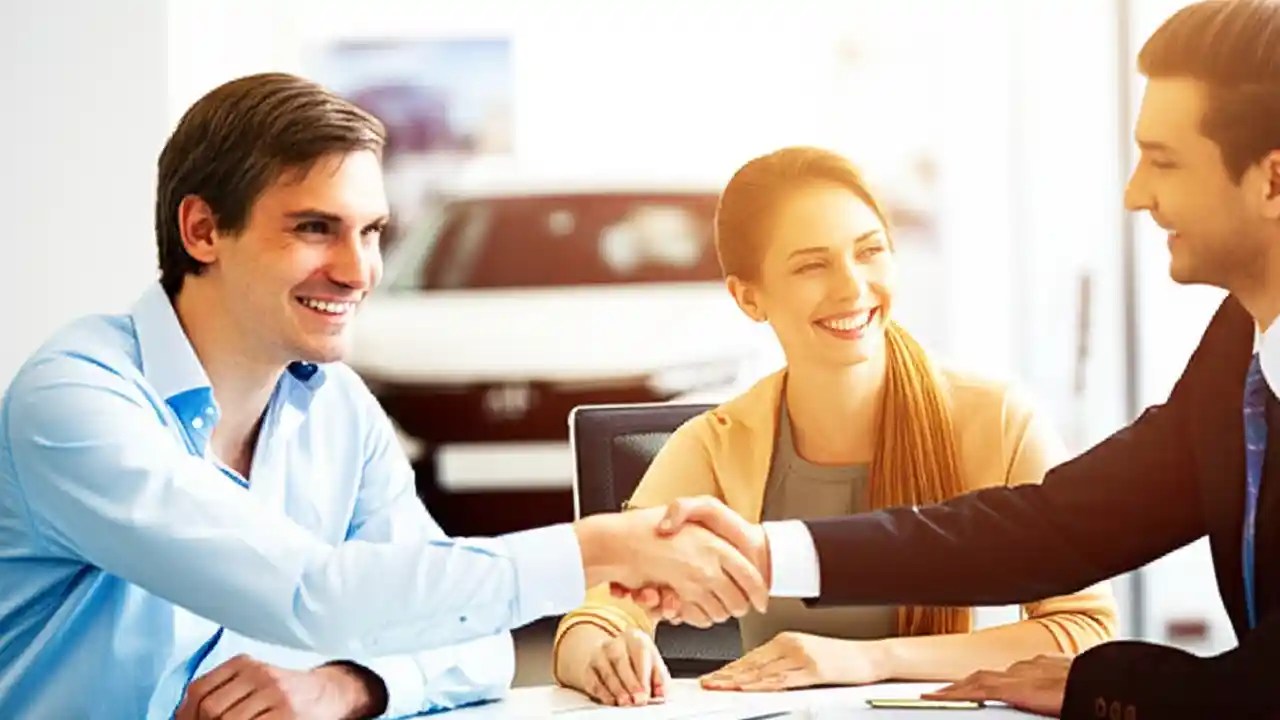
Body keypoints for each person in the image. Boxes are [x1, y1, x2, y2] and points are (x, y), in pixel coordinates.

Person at [0, 72, 776, 720]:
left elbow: (474, 639)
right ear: (203, 230)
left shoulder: (335, 406)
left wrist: (349, 686)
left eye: (372, 232)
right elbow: (307, 594)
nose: (357, 270)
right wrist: (601, 547)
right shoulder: (76, 398)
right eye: (315, 229)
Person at [642, 2, 1280, 717]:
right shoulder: (1239, 348)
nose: (1136, 193)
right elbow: (1059, 527)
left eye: (1163, 160)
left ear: (1272, 181)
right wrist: (771, 555)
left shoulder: (993, 410)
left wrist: (1103, 681)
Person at [551, 146, 1118, 707]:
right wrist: (605, 653)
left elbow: (1084, 630)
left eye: (870, 251)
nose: (852, 287)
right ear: (749, 296)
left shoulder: (997, 420)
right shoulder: (716, 445)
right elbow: (594, 618)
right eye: (812, 264)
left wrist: (870, 661)